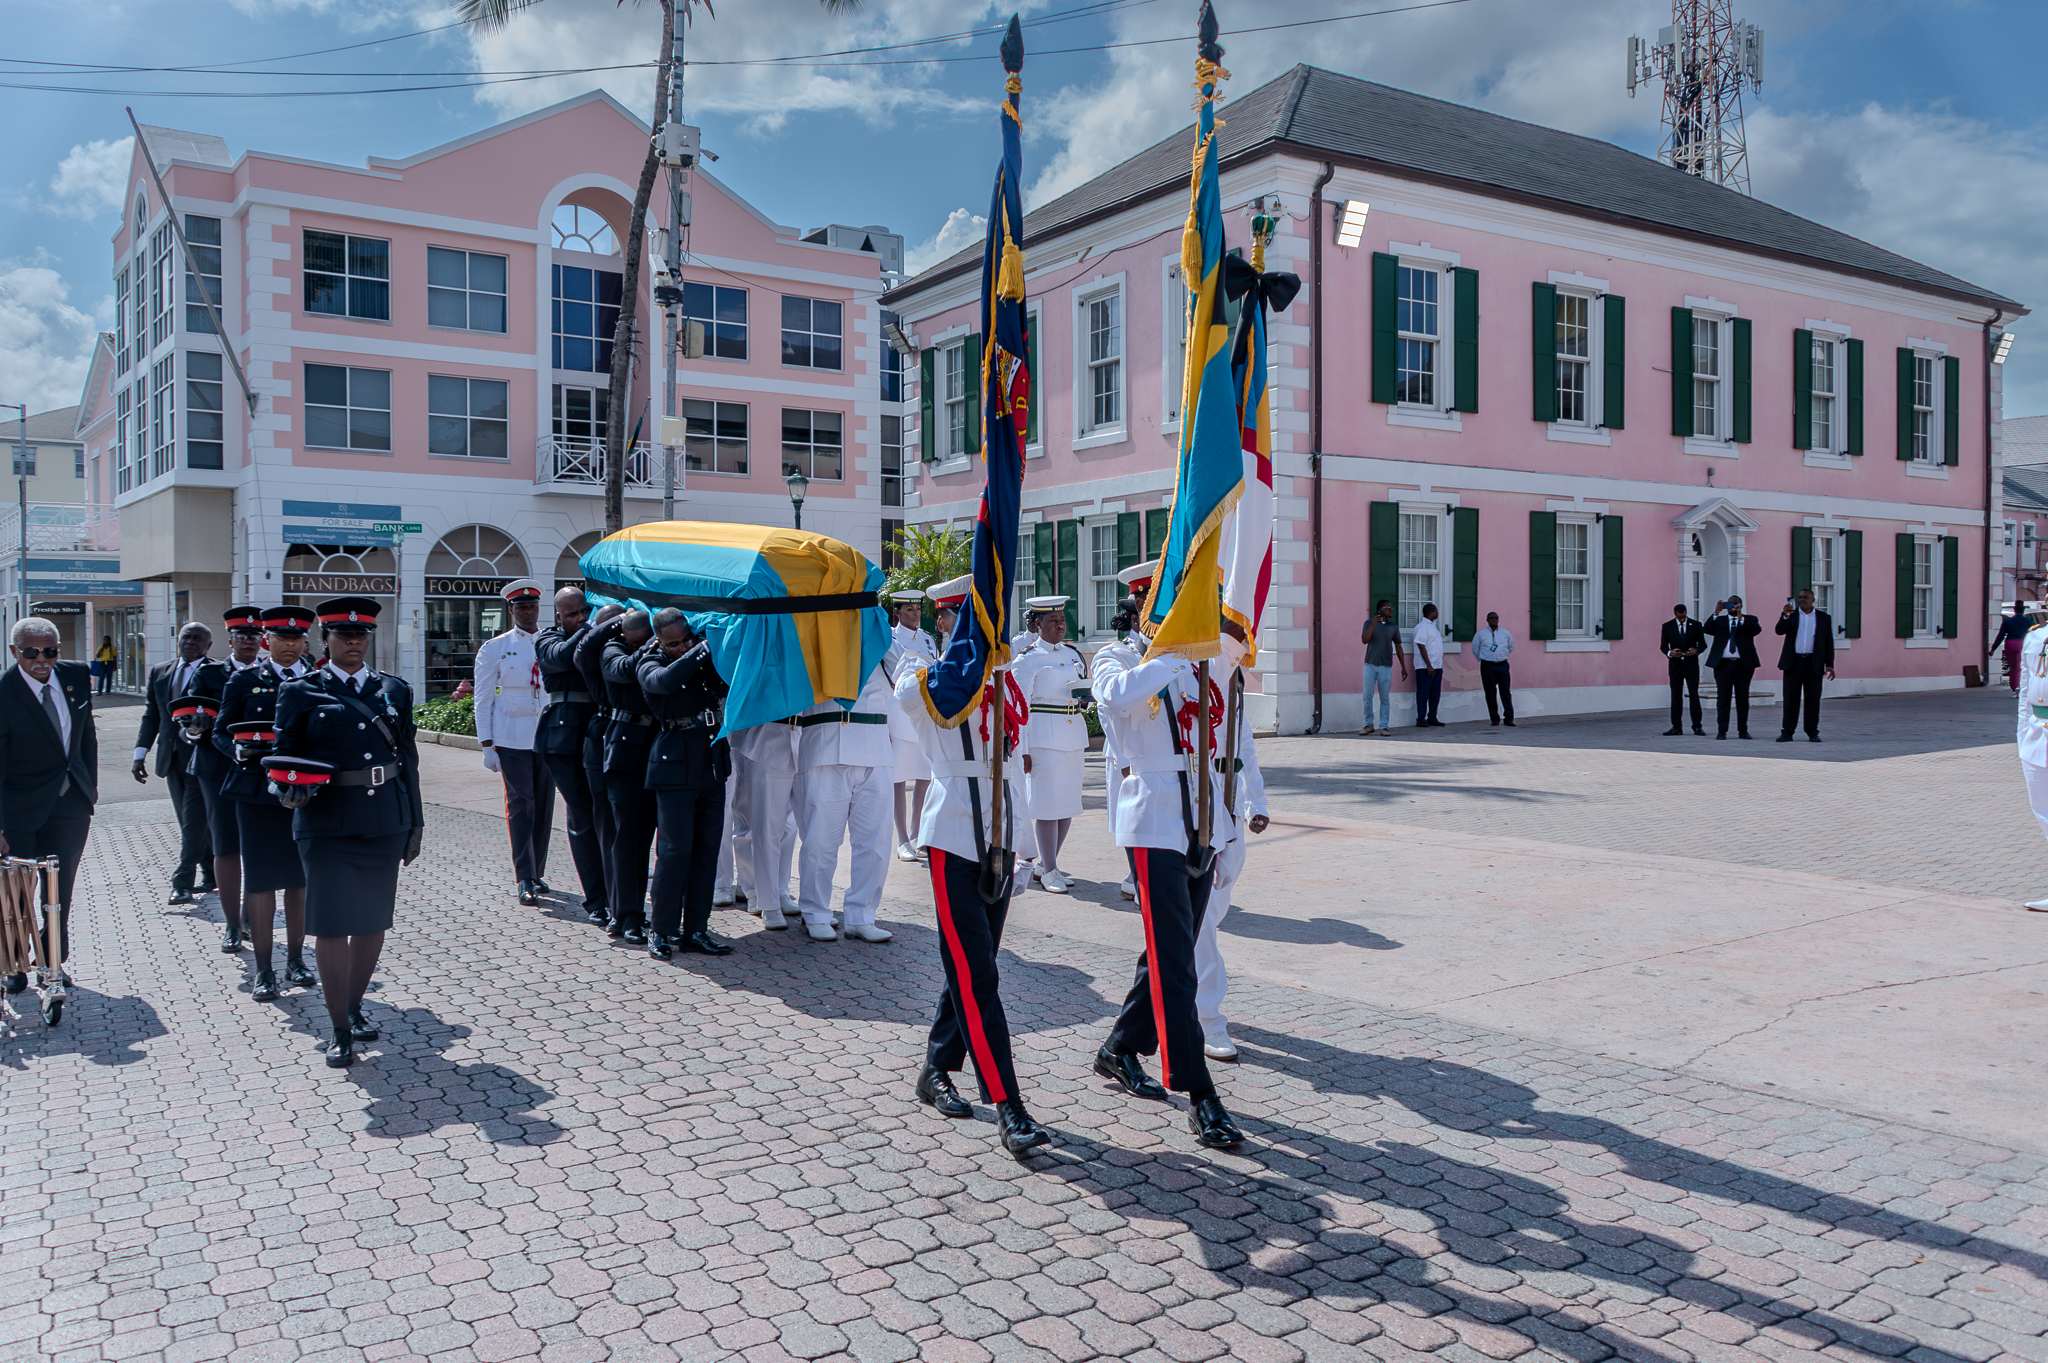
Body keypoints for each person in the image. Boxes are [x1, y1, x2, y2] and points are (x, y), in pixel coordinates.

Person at [892, 611, 1050, 1158]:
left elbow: (1011, 769)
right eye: (974, 621)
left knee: (972, 966)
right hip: (955, 837)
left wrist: (1025, 847)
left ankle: (936, 1066)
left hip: (1000, 838)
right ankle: (1009, 1104)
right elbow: (914, 696)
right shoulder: (924, 676)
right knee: (978, 975)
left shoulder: (1003, 687)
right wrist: (969, 665)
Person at [1093, 630, 1243, 1150]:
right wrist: (1172, 655)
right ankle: (1200, 1092)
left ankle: (1121, 1045)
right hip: (1152, 821)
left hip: (1201, 819)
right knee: (1177, 961)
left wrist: (1226, 830)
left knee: (1167, 950)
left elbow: (1214, 742)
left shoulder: (1193, 662)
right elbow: (1116, 697)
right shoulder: (1118, 658)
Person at [270, 597, 424, 1068]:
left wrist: (415, 822)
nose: (353, 642)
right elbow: (281, 758)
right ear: (326, 639)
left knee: (373, 923)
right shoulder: (301, 691)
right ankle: (338, 1027)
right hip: (327, 822)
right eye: (343, 635)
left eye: (360, 636)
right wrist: (285, 792)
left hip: (383, 821)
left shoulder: (393, 691)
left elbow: (408, 762)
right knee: (333, 926)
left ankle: (355, 1007)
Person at [214, 606, 317, 1001]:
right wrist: (236, 752)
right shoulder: (244, 680)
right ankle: (263, 969)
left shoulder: (315, 680)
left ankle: (295, 959)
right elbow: (222, 732)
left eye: (295, 639)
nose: (288, 645)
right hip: (254, 791)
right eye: (279, 638)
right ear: (265, 641)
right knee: (259, 882)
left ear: (305, 641)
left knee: (298, 880)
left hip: (302, 794)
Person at [0, 618, 97, 996]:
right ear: (15, 652)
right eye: (31, 652)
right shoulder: (4, 692)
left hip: (70, 802)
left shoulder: (74, 677)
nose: (42, 660)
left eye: (50, 651)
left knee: (59, 892)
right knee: (17, 893)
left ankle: (52, 961)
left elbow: (86, 734)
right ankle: (13, 962)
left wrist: (90, 787)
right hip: (18, 808)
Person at [638, 609, 737, 958]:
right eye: (672, 644)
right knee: (674, 852)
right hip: (674, 764)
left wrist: (717, 642)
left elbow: (730, 676)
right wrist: (701, 648)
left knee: (706, 851)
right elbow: (663, 682)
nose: (680, 648)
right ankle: (662, 929)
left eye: (685, 640)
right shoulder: (650, 663)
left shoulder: (704, 659)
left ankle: (696, 928)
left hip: (710, 761)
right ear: (660, 641)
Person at [792, 653, 897, 944]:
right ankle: (815, 912)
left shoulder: (883, 638)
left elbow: (902, 669)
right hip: (825, 745)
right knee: (820, 841)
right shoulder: (816, 632)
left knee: (875, 842)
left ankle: (862, 915)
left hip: (875, 746)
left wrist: (875, 635)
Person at [1195, 666, 1268, 1062]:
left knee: (1216, 908)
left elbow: (1247, 750)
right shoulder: (1191, 678)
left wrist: (1258, 803)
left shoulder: (1233, 687)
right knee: (1203, 917)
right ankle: (1209, 1015)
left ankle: (1172, 991)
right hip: (1198, 806)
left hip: (1232, 806)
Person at [188, 605, 266, 953]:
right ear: (230, 639)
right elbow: (191, 717)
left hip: (258, 772)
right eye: (241, 636)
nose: (247, 641)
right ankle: (232, 923)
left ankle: (252, 917)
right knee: (225, 845)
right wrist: (195, 728)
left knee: (258, 846)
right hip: (217, 768)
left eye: (253, 636)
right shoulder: (209, 674)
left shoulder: (270, 675)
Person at [474, 579, 554, 905]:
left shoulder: (551, 643)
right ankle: (523, 875)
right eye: (521, 607)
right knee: (522, 806)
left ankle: (537, 871)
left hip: (546, 735)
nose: (527, 611)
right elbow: (483, 697)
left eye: (532, 606)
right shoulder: (495, 648)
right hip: (510, 736)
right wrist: (486, 743)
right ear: (511, 610)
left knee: (545, 806)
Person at [535, 587, 610, 924]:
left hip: (597, 730)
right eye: (571, 614)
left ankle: (615, 896)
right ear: (558, 616)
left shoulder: (596, 635)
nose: (579, 618)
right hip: (563, 736)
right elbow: (564, 655)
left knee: (605, 816)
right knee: (582, 816)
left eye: (583, 612)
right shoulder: (547, 638)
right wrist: (593, 628)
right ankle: (596, 900)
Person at [134, 621, 215, 905]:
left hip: (204, 758)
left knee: (192, 820)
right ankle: (211, 869)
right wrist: (139, 753)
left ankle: (182, 881)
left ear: (208, 645)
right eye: (185, 637)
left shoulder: (218, 673)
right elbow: (151, 716)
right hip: (172, 759)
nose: (190, 642)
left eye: (197, 638)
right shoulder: (161, 671)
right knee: (188, 820)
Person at [1013, 595, 1088, 893]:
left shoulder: (1072, 654)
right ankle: (1049, 870)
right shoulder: (1028, 659)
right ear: (1037, 624)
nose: (1060, 625)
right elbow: (1020, 707)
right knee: (1046, 805)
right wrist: (1024, 749)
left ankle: (1049, 862)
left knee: (1067, 803)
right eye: (1052, 621)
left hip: (1072, 733)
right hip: (1043, 736)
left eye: (1062, 620)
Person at [595, 609, 657, 944]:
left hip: (656, 749)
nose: (650, 640)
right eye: (645, 633)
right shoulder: (612, 649)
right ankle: (625, 915)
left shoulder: (659, 652)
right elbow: (622, 671)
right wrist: (653, 647)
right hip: (625, 750)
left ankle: (649, 914)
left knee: (651, 838)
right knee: (628, 839)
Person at [572, 603, 624, 926]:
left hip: (629, 743)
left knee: (625, 831)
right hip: (600, 740)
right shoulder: (592, 653)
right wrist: (611, 623)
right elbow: (579, 652)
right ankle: (609, 902)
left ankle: (623, 902)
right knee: (604, 826)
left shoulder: (626, 653)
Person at [887, 590, 937, 864]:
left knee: (923, 777)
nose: (915, 614)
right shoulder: (890, 639)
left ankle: (918, 834)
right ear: (897, 613)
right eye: (908, 610)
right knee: (898, 779)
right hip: (898, 714)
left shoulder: (928, 639)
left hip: (923, 714)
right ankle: (902, 838)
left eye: (917, 609)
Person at [2017, 613, 2048, 910]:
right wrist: (2022, 737)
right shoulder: (2036, 636)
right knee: (2043, 813)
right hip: (2037, 736)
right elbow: (2026, 691)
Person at [1776, 588, 1835, 742]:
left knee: (1813, 700)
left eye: (1805, 597)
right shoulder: (1792, 616)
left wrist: (1830, 664)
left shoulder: (1823, 618)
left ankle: (1812, 732)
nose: (1802, 600)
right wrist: (1784, 615)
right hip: (1793, 663)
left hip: (1813, 663)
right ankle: (1787, 732)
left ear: (1813, 600)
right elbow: (1779, 631)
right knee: (1790, 699)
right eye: (1800, 597)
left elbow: (1828, 643)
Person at [1703, 596, 1762, 739]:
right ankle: (1722, 731)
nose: (1732, 607)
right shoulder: (1721, 621)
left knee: (1742, 698)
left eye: (1735, 604)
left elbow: (1756, 630)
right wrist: (1716, 612)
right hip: (1723, 664)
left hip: (1743, 665)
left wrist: (1740, 616)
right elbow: (1707, 628)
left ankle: (1743, 730)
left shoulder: (1750, 620)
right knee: (1723, 698)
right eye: (1730, 604)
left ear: (1741, 605)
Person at [1359, 600, 1407, 735]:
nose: (1390, 609)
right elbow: (1364, 640)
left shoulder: (1393, 627)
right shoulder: (1369, 623)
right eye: (1387, 607)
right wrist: (1374, 624)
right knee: (1367, 696)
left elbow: (1398, 646)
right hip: (1370, 665)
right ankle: (1368, 725)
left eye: (1391, 607)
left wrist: (1403, 666)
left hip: (1386, 666)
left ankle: (1384, 726)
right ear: (1380, 610)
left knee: (1384, 698)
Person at [1660, 603, 1707, 737]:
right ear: (1675, 614)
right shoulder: (1667, 626)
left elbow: (1703, 644)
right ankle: (1676, 726)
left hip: (1691, 664)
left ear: (1686, 613)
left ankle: (1697, 726)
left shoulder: (1696, 625)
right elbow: (1663, 646)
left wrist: (1696, 651)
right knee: (1676, 696)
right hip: (1675, 665)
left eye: (1684, 616)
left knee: (1694, 695)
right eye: (1679, 616)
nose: (1682, 618)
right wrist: (1670, 653)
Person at [1470, 611, 1515, 727]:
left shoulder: (1506, 633)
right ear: (1487, 620)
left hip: (1502, 665)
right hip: (1487, 666)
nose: (1494, 620)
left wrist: (1500, 656)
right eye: (1491, 618)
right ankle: (1494, 718)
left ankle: (1509, 718)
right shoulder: (1480, 634)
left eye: (1495, 618)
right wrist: (1485, 659)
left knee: (1505, 692)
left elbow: (1511, 647)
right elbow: (1475, 649)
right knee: (1490, 693)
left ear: (1498, 619)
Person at [1411, 603, 1446, 728]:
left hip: (1437, 666)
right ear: (1431, 612)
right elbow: (1421, 645)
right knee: (1423, 693)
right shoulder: (1422, 627)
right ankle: (1421, 718)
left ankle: (1432, 717)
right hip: (1425, 667)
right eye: (1436, 611)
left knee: (1435, 694)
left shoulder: (1433, 627)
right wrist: (1429, 665)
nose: (1437, 613)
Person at [1992, 601, 2032, 694]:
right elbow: (2033, 634)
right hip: (2023, 643)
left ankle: (2014, 687)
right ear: (2023, 610)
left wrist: (1993, 649)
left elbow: (2000, 636)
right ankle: (2021, 686)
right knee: (2022, 667)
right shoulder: (2028, 621)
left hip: (2010, 643)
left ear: (2014, 610)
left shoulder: (2008, 621)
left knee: (2013, 667)